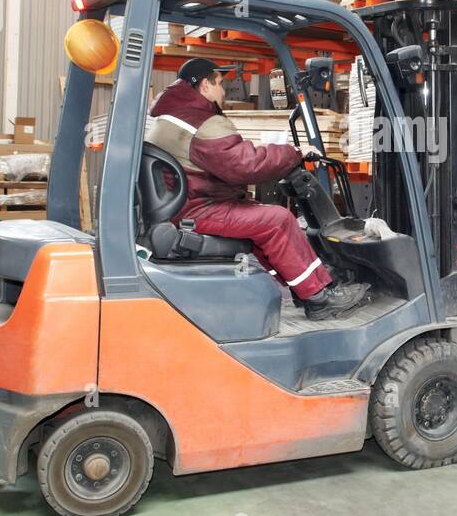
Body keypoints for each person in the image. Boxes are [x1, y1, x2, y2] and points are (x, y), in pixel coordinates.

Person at [147, 57, 369, 321]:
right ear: (205, 85)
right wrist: (294, 154)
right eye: (220, 84)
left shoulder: (172, 117)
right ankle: (319, 298)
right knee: (278, 220)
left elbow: (226, 156)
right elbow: (245, 165)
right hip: (198, 209)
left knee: (260, 218)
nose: (223, 91)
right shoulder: (201, 123)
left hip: (188, 202)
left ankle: (304, 286)